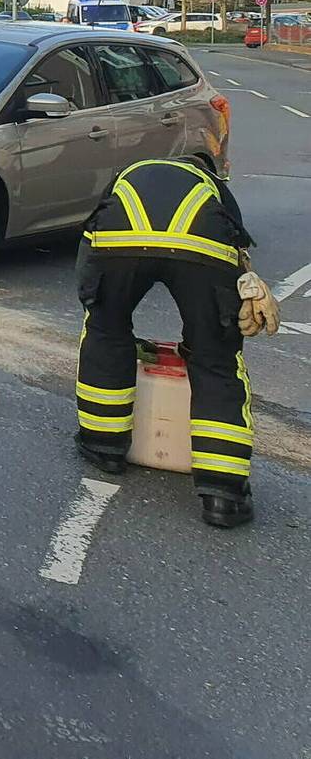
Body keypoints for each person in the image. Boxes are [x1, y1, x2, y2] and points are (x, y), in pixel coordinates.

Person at [74, 157, 279, 528]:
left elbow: (89, 252)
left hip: (119, 240)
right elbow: (236, 248)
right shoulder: (214, 189)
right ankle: (223, 494)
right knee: (216, 357)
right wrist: (203, 339)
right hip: (202, 245)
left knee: (106, 331)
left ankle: (103, 445)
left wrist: (98, 303)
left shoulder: (128, 176)